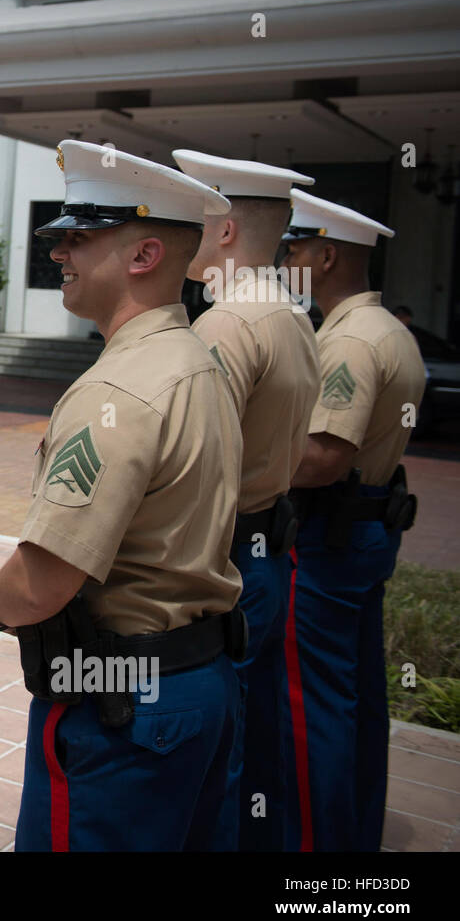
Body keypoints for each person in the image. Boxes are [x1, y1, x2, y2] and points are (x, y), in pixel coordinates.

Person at [0, 140, 245, 851]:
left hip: (121, 705)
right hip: (197, 682)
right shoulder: (197, 362)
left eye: (79, 237)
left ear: (144, 255)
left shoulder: (115, 389)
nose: (60, 251)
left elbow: (42, 586)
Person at [173, 150, 320, 851]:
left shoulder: (226, 325)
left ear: (225, 228)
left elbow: (193, 469)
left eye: (199, 215)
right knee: (251, 746)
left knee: (210, 771)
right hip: (268, 552)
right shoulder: (291, 314)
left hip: (226, 560)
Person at [282, 190, 426, 851]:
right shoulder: (390, 328)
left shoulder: (348, 340)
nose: (286, 258)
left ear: (327, 254)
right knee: (360, 698)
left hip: (329, 537)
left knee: (314, 710)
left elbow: (322, 456)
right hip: (369, 527)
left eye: (294, 248)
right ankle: (355, 837)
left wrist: (237, 464)